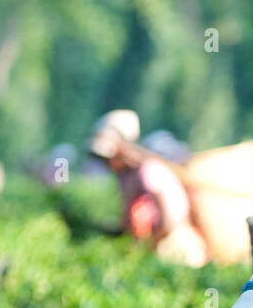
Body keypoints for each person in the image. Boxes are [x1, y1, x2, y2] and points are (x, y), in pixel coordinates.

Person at [85, 110, 209, 267]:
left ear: (122, 148)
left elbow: (169, 221)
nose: (107, 164)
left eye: (108, 158)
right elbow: (127, 224)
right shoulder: (127, 176)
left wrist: (149, 246)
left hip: (174, 247)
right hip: (156, 245)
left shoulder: (148, 171)